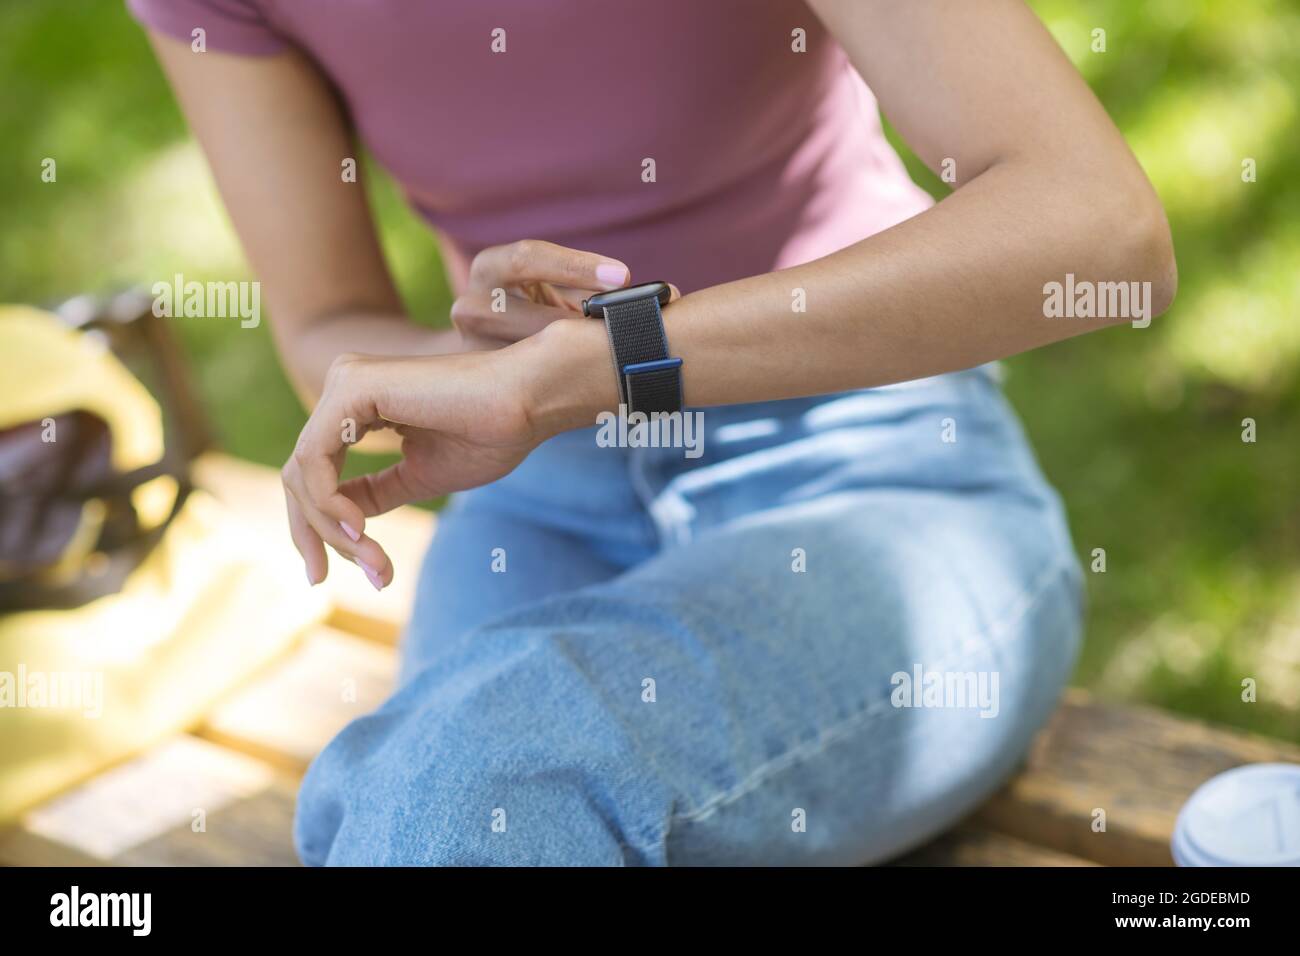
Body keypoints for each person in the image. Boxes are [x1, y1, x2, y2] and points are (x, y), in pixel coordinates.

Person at [129, 0, 1176, 865]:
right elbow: (324, 322)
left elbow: (1100, 233)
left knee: (477, 771)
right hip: (538, 494)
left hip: (870, 458)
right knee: (435, 804)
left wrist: (611, 361)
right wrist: (503, 374)